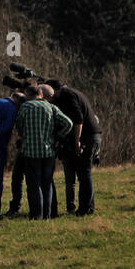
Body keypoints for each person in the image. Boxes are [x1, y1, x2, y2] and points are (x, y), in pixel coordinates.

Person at [14, 84, 73, 219]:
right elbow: (68, 123)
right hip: (48, 151)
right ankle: (48, 214)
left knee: (34, 184)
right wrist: (57, 136)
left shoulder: (25, 107)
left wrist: (25, 136)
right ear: (41, 94)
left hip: (30, 151)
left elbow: (19, 126)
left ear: (29, 95)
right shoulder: (51, 107)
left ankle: (36, 214)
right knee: (47, 184)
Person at [47, 79, 101, 216]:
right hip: (92, 135)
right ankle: (88, 207)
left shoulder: (67, 95)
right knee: (84, 174)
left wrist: (76, 141)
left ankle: (86, 209)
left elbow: (78, 119)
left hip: (88, 137)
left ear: (55, 90)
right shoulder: (72, 92)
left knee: (85, 173)